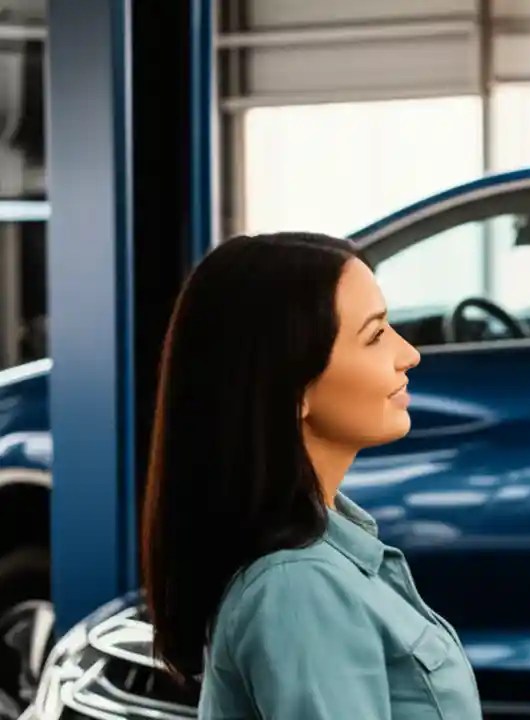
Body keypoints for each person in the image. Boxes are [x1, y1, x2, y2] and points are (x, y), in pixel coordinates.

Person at [139, 232, 484, 719]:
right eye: (376, 334)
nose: (409, 354)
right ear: (293, 385)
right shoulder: (299, 589)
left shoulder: (319, 562)